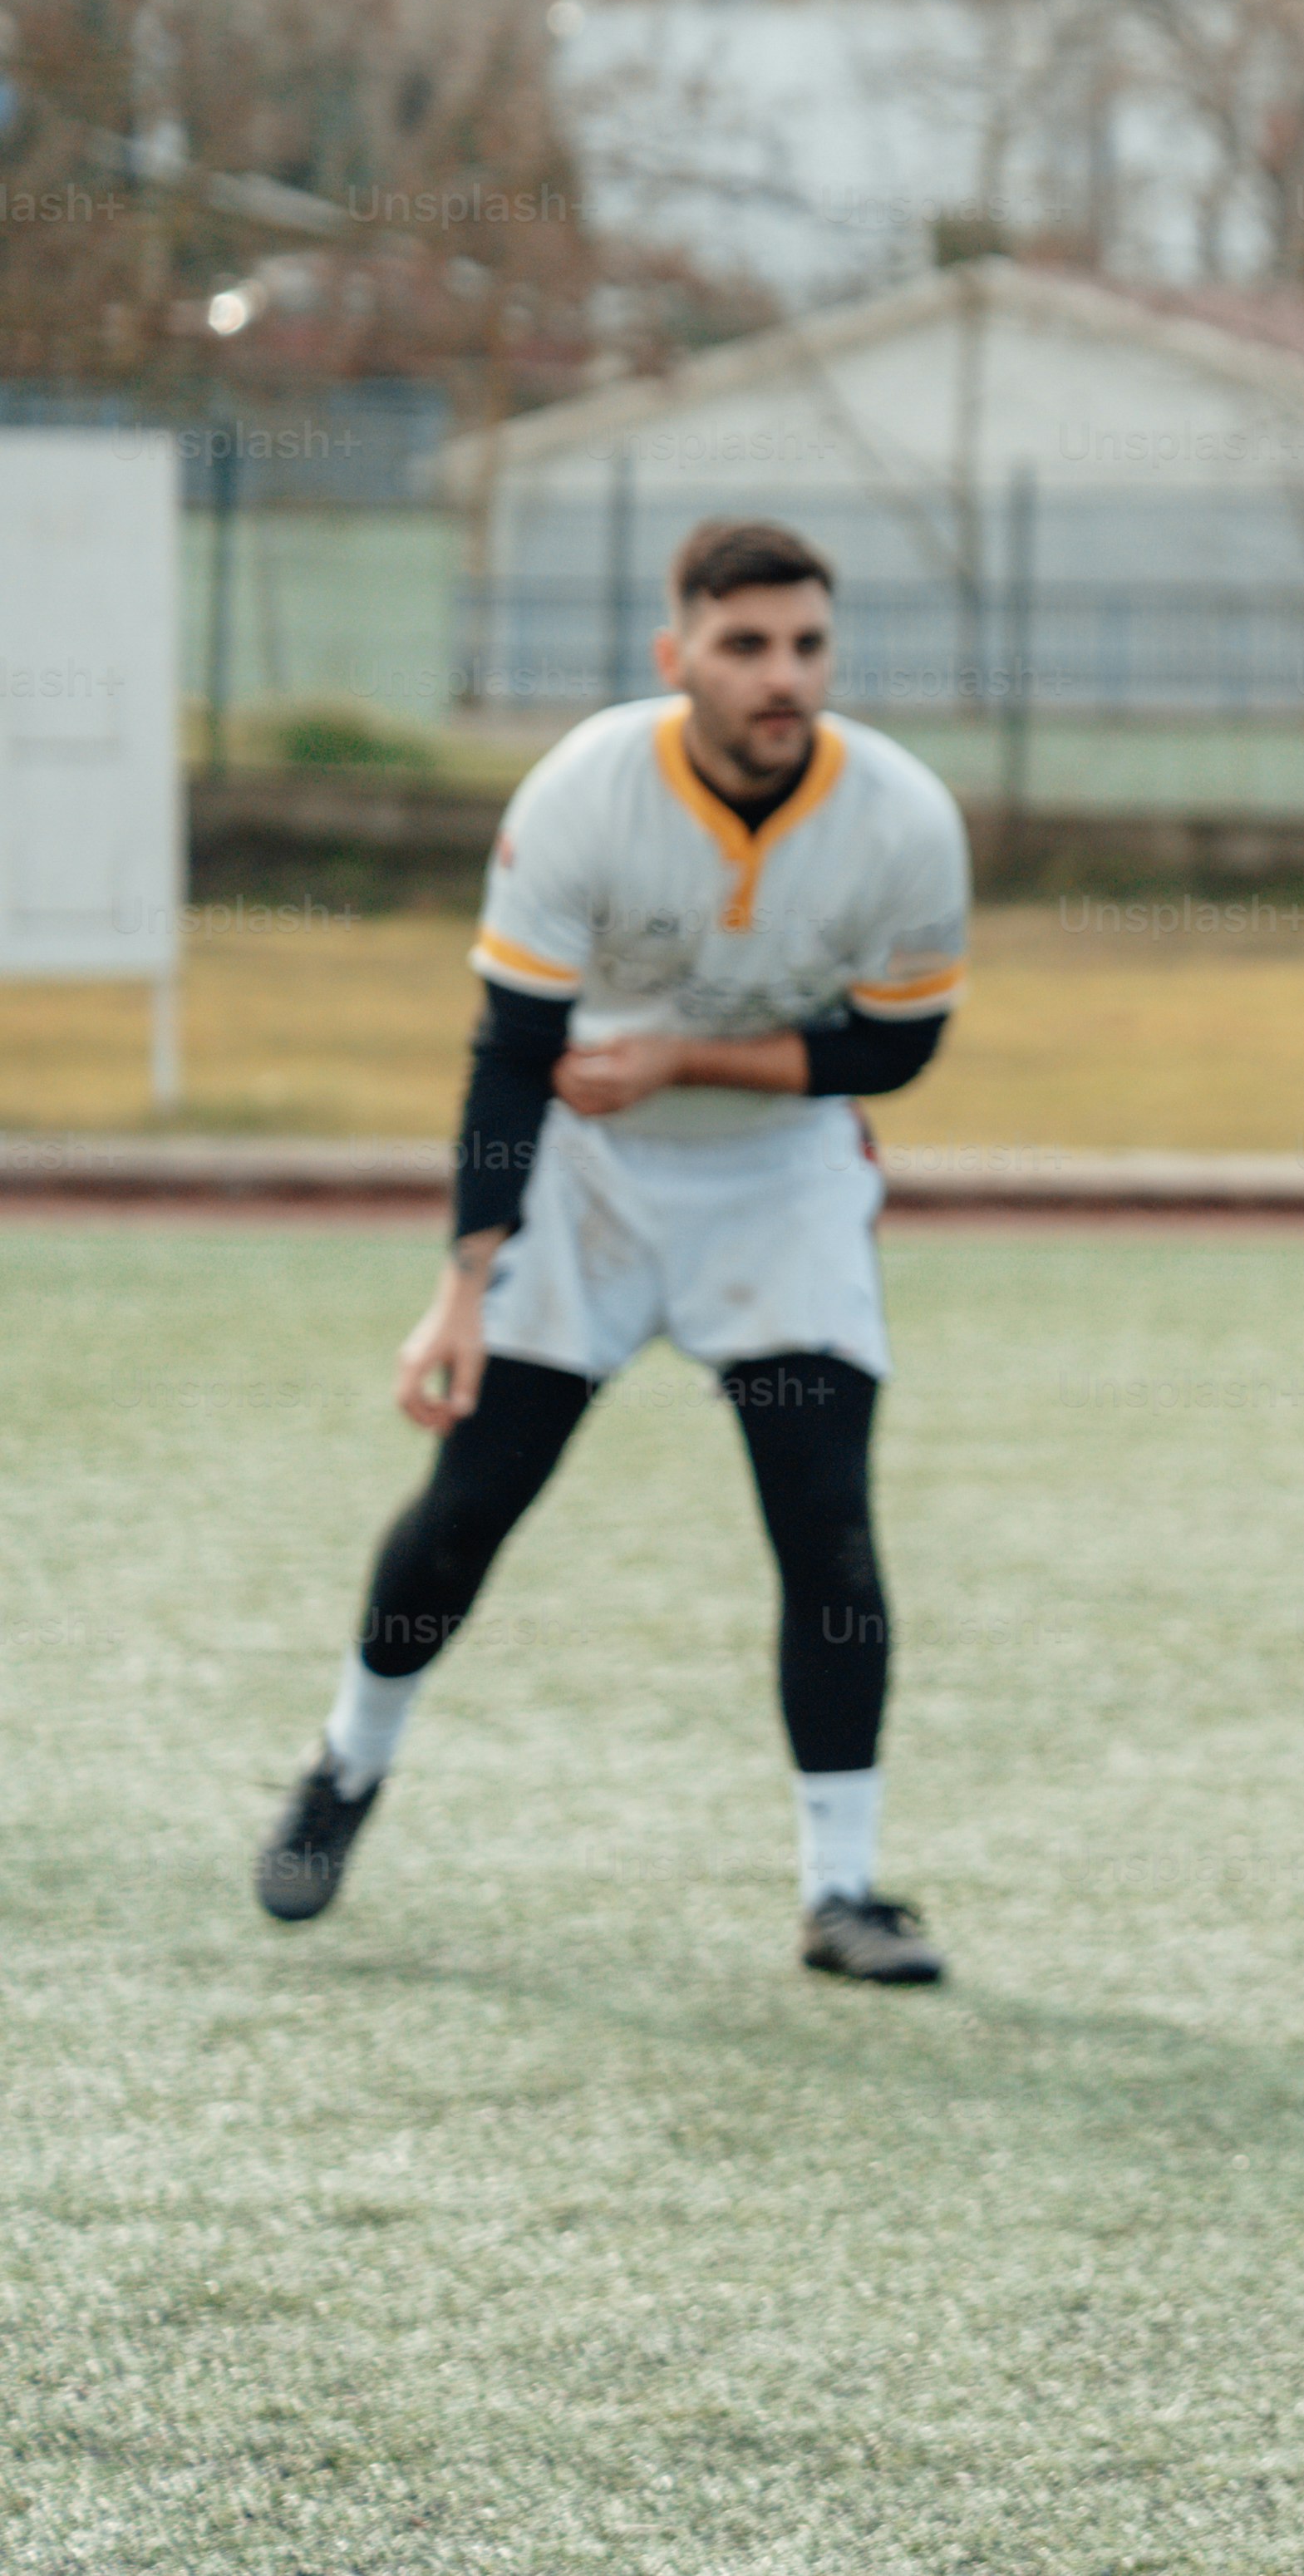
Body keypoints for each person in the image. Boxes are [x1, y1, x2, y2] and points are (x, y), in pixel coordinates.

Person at [250, 520, 974, 1986]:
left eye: (808, 645)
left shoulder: (901, 815)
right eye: (747, 644)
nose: (784, 677)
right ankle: (345, 1761)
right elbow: (513, 1052)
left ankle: (842, 1888)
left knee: (824, 1527)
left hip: (780, 1189)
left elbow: (899, 1047)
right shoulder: (586, 788)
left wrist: (691, 1058)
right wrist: (461, 1282)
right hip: (588, 1184)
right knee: (470, 1506)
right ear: (677, 655)